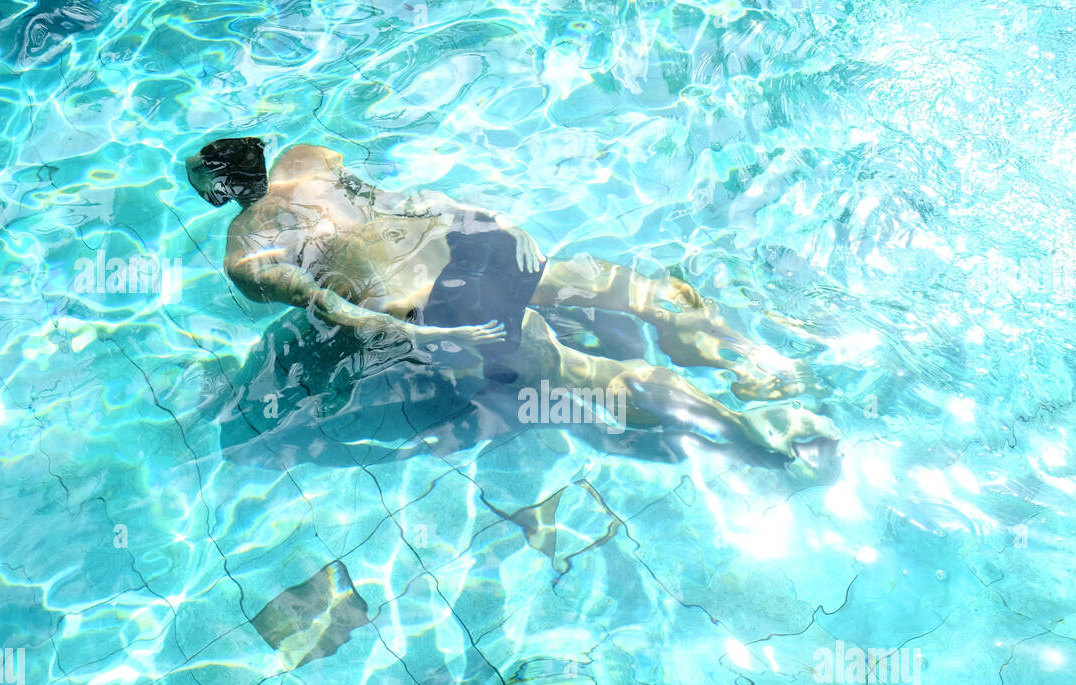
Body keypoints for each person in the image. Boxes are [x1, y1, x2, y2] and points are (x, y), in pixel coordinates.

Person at [184, 136, 840, 471]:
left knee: (587, 376)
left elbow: (337, 309)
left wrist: (419, 340)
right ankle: (763, 363)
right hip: (481, 234)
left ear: (219, 195)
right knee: (609, 284)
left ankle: (757, 438)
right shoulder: (311, 156)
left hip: (442, 302)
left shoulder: (246, 251)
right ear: (261, 152)